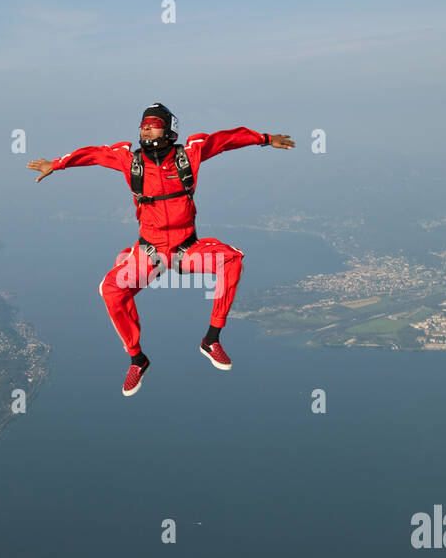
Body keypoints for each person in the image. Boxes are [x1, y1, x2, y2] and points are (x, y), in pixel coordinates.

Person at [28, 104, 295, 395]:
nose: (146, 127)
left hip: (185, 249)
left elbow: (226, 139)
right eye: (143, 123)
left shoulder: (188, 154)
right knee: (110, 289)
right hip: (150, 253)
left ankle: (212, 339)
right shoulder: (131, 161)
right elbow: (94, 154)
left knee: (232, 259)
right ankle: (137, 358)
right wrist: (55, 164)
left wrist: (265, 138)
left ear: (168, 129)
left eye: (153, 123)